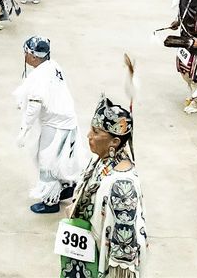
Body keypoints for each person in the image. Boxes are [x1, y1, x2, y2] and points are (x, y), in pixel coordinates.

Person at [61, 78, 147, 277]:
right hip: (87, 252)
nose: (88, 135)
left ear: (115, 141)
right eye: (91, 128)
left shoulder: (123, 187)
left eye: (96, 132)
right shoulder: (102, 159)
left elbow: (123, 257)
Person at [15, 36, 81, 214]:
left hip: (55, 125)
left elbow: (34, 107)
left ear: (34, 56)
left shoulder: (39, 76)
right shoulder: (53, 66)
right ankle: (66, 188)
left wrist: (24, 129)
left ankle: (50, 202)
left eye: (26, 53)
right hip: (67, 121)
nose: (24, 56)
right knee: (62, 158)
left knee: (47, 162)